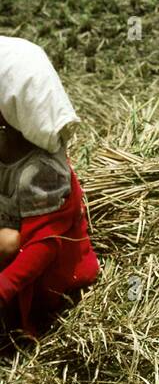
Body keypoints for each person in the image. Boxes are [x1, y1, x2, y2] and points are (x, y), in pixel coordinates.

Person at [0, 38, 99, 338]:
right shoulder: (6, 142)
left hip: (42, 276)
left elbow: (42, 247)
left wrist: (3, 289)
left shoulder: (42, 173)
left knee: (7, 241)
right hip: (9, 239)